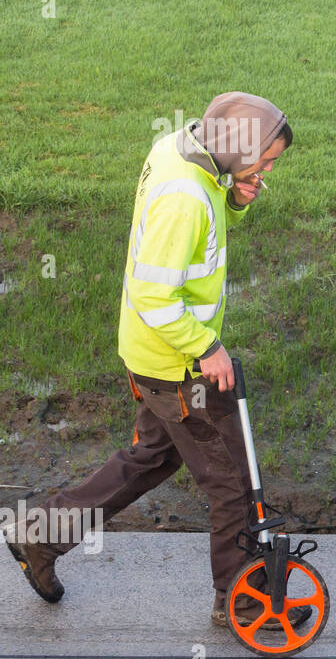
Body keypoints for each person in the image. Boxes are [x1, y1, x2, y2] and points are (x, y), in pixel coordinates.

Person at [4, 91, 308, 631]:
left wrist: (235, 198)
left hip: (154, 358)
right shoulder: (185, 196)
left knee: (151, 458)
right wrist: (207, 348)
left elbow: (199, 243)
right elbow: (154, 297)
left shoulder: (182, 151)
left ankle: (40, 534)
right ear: (238, 144)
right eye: (265, 159)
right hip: (178, 368)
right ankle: (241, 602)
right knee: (233, 482)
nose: (266, 169)